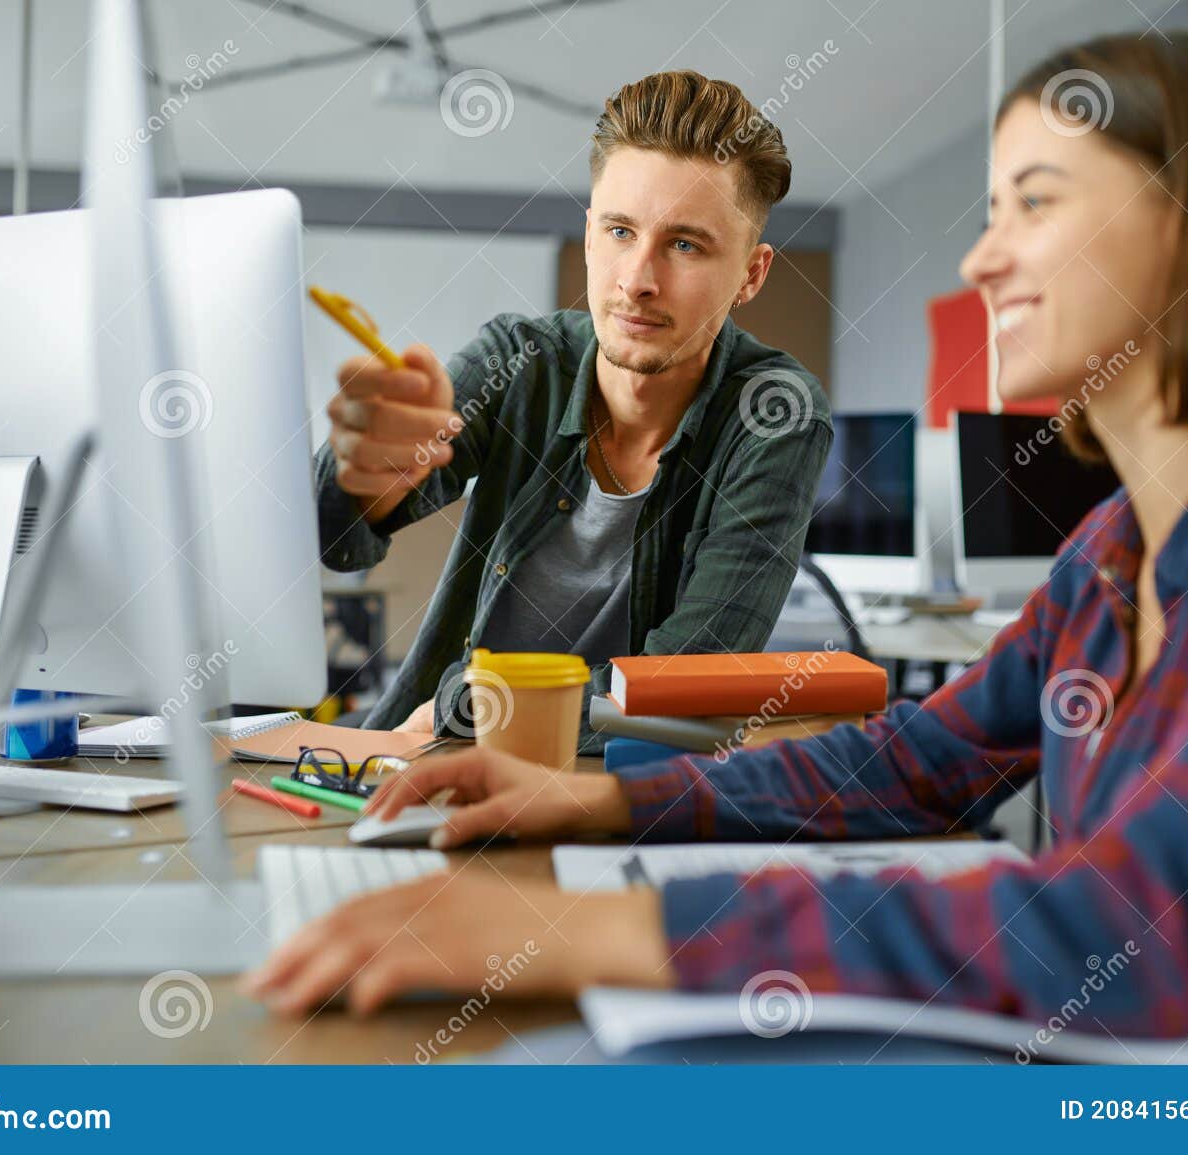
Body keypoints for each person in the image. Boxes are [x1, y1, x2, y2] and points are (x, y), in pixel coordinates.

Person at [247, 32, 1188, 1063]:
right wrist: (585, 804)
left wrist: (578, 929)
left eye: (1036, 202)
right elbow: (912, 764)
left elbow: (1131, 934)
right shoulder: (1115, 554)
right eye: (988, 211)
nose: (978, 260)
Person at [316, 70, 832, 751]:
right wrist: (358, 479)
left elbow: (692, 680)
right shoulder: (519, 360)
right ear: (590, 236)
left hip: (612, 797)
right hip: (417, 761)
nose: (638, 280)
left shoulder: (777, 415)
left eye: (685, 244)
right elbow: (332, 536)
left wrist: (465, 708)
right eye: (620, 231)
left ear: (752, 274)